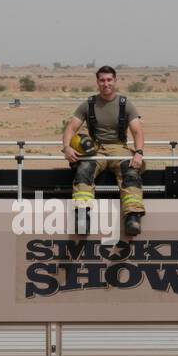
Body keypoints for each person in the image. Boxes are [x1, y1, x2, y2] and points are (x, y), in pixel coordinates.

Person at [61, 65, 146, 236]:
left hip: (119, 148)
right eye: (102, 80)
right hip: (96, 151)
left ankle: (132, 217)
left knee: (130, 172)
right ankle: (82, 216)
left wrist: (138, 153)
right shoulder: (88, 104)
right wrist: (67, 148)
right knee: (83, 170)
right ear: (97, 82)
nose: (105, 83)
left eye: (109, 80)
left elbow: (137, 131)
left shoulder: (126, 105)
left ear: (115, 81)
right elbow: (70, 128)